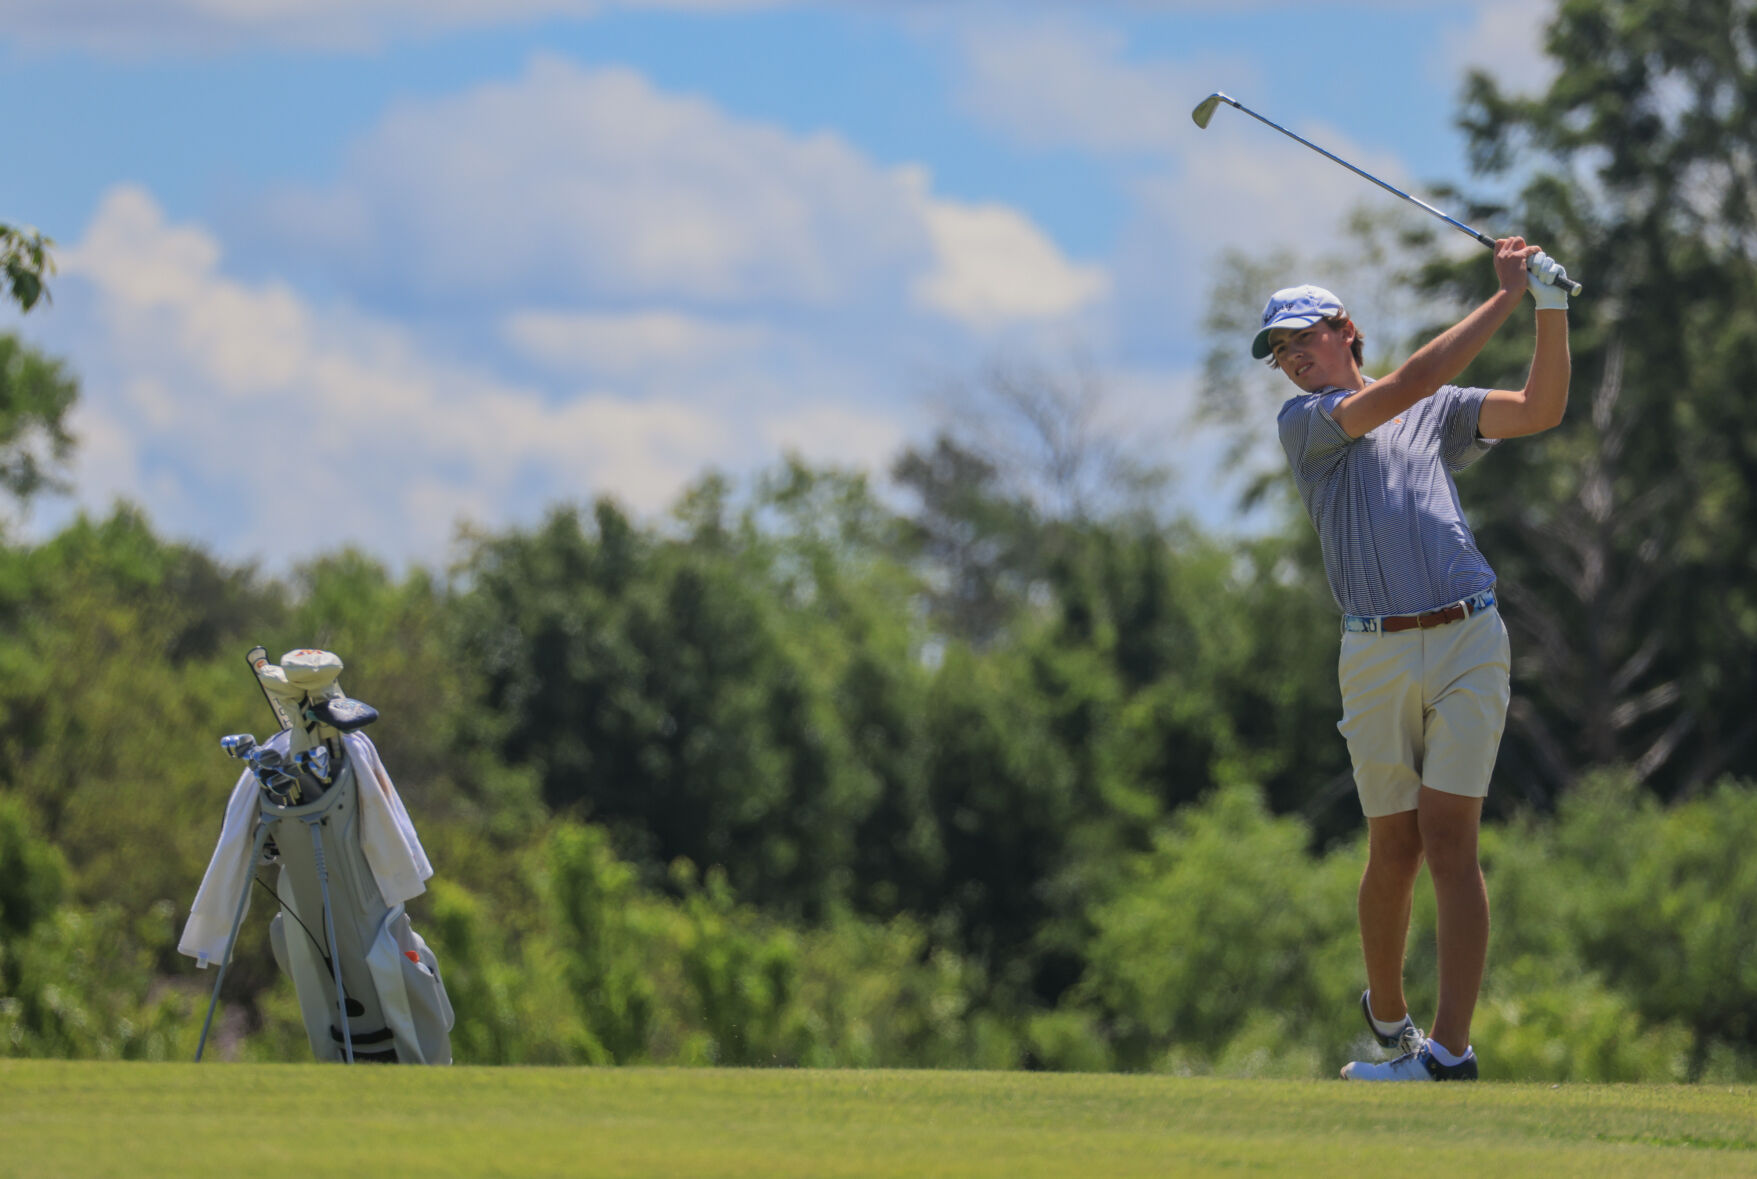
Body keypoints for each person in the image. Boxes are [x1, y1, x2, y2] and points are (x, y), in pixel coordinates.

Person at [1263, 238, 1570, 1080]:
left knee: (1449, 839)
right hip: (1374, 651)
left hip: (1470, 633)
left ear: (1345, 330)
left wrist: (1550, 308)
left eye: (1303, 339)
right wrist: (1503, 297)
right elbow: (1403, 386)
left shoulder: (1433, 413)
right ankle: (1389, 1014)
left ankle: (1449, 1051)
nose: (1292, 360)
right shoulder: (1306, 424)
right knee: (1391, 848)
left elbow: (1538, 409)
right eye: (1280, 351)